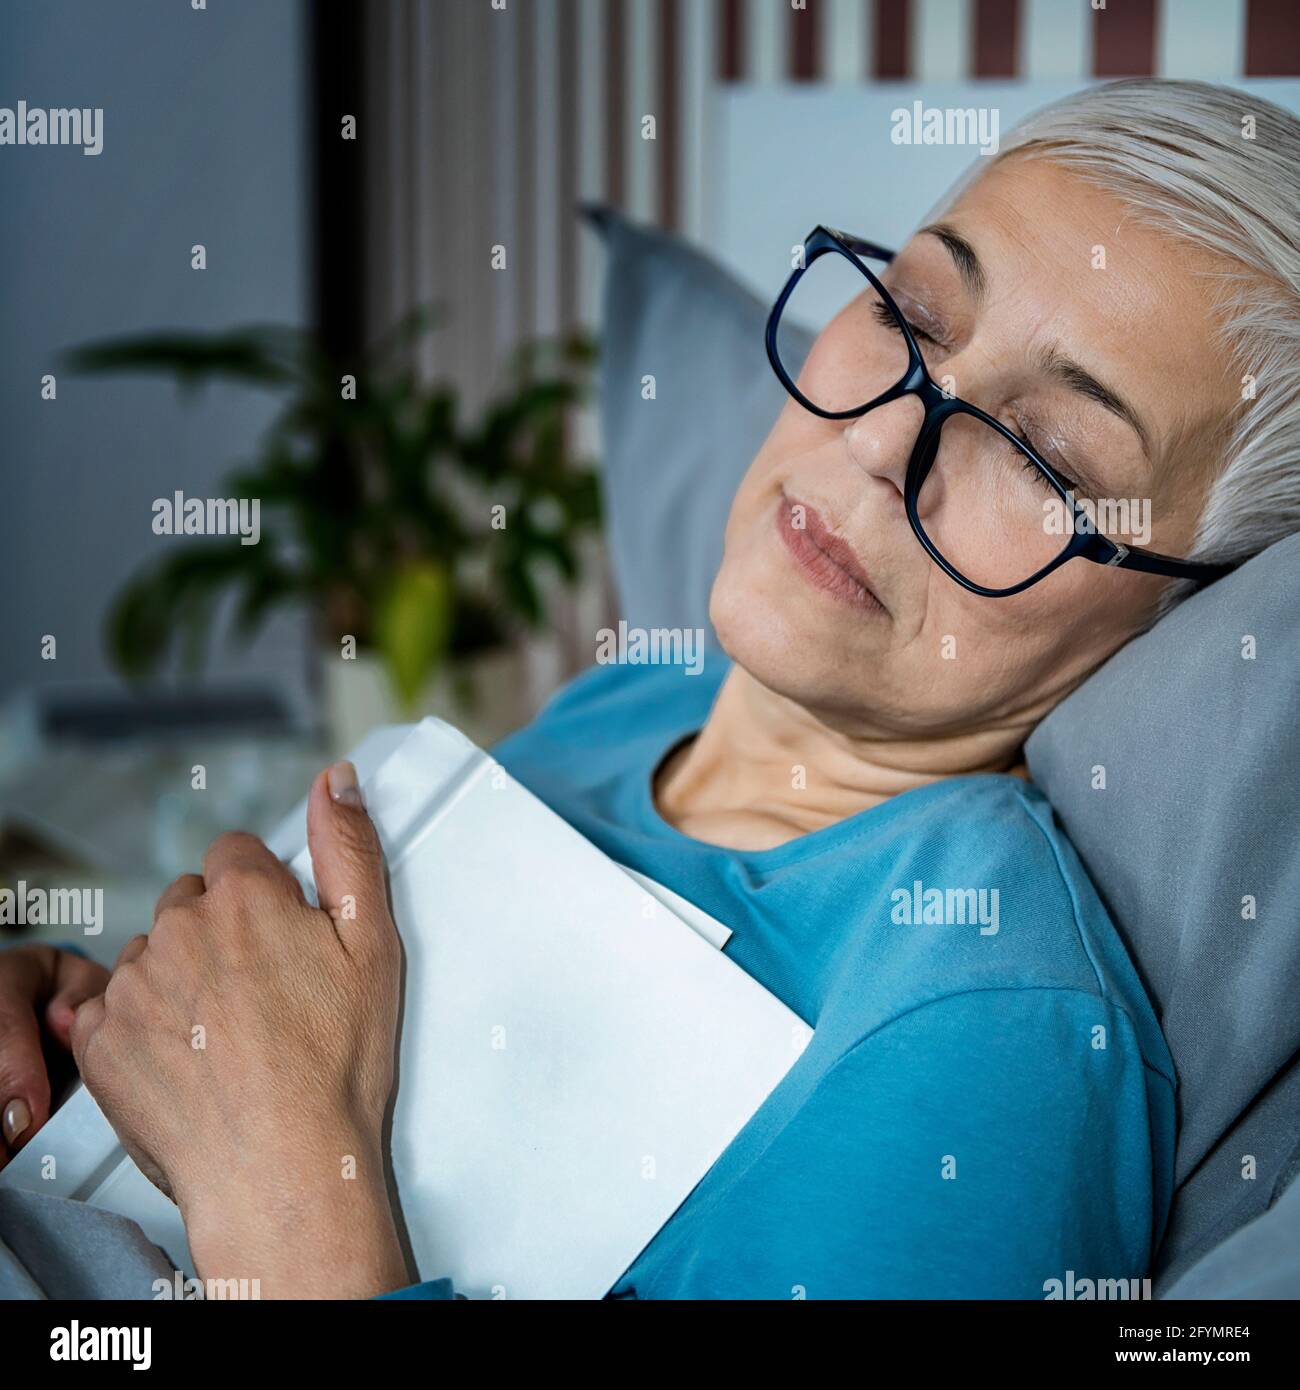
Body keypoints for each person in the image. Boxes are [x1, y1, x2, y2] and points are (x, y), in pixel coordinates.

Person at [3, 80, 1298, 1299]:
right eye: (907, 312)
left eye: (1043, 455)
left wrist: (289, 1189)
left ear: (1185, 610)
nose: (879, 439)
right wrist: (97, 1048)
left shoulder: (988, 1034)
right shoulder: (640, 704)